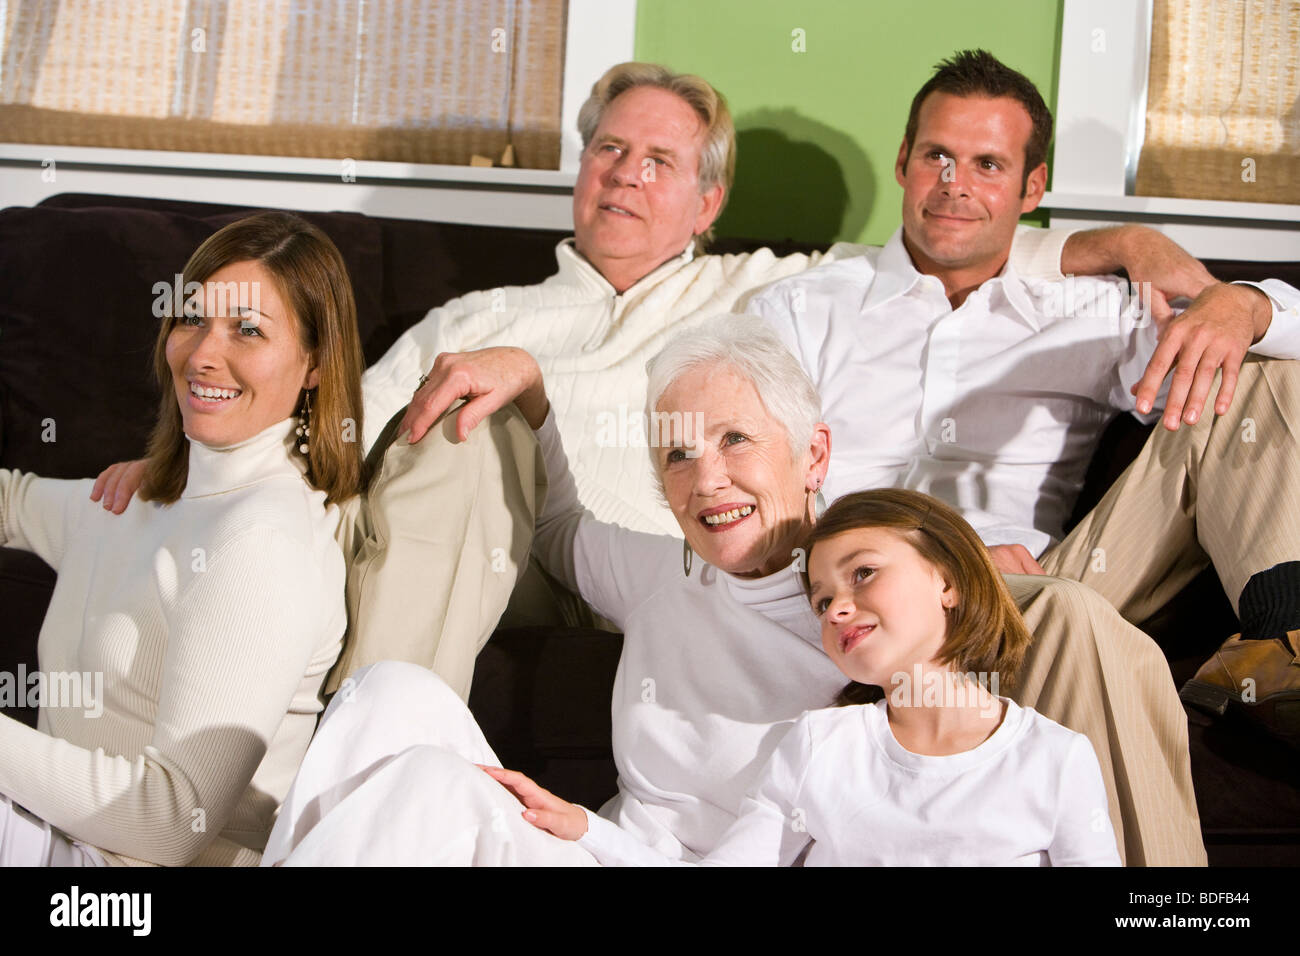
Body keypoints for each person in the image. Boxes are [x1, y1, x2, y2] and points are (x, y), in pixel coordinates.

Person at [92, 64, 1224, 700]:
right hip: (520, 553)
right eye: (607, 153)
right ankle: (379, 744)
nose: (626, 176)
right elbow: (345, 428)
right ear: (576, 171)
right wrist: (208, 468)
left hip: (682, 559)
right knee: (454, 421)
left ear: (707, 202)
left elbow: (955, 239)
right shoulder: (473, 317)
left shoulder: (758, 288)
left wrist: (1130, 244)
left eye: (660, 161)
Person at [261, 316, 1191, 867]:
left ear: (812, 454)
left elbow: (988, 639)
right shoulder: (662, 572)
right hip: (600, 852)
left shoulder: (866, 615)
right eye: (677, 455)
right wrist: (533, 387)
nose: (706, 479)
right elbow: (553, 534)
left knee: (426, 787)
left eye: (736, 441)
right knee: (391, 696)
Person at [744, 49, 1300, 748]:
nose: (954, 184)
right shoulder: (798, 312)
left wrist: (1245, 304)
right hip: (858, 605)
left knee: (1255, 366)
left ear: (1031, 187)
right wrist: (945, 557)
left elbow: (1270, 347)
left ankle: (1285, 646)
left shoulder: (1087, 313)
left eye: (988, 165)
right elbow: (753, 486)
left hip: (1038, 597)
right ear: (903, 163)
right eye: (937, 156)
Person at [0, 212, 365, 866]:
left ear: (314, 363)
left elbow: (170, 822)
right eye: (192, 318)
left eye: (247, 331)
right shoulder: (141, 497)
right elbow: (12, 502)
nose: (201, 354)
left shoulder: (265, 543)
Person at [490, 489, 1121, 867]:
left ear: (948, 579)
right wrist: (587, 828)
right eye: (821, 601)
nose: (838, 606)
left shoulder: (1055, 758)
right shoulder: (823, 745)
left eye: (864, 573)